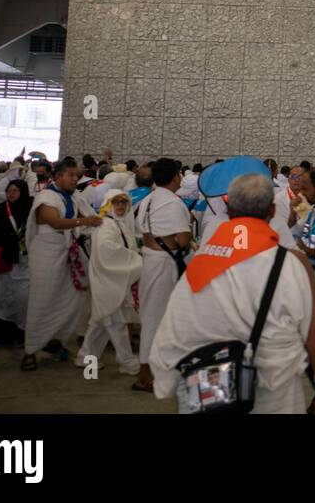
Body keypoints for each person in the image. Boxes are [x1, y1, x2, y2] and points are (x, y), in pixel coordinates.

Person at [149, 175, 315, 413]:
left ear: (228, 210)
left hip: (209, 389)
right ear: (271, 211)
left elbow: (176, 327)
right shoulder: (290, 265)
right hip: (274, 393)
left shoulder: (199, 263)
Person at [22, 160, 99, 371]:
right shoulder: (46, 197)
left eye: (77, 175)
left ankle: (54, 339)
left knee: (71, 297)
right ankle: (30, 350)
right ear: (58, 177)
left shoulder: (74, 197)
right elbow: (55, 222)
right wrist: (85, 222)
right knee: (42, 301)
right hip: (46, 254)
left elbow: (89, 217)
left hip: (67, 253)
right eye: (71, 175)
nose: (76, 179)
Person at [132, 157, 191, 392]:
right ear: (175, 176)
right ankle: (145, 374)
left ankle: (154, 367)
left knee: (152, 314)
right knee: (155, 317)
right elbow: (183, 239)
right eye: (179, 173)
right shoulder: (173, 203)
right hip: (164, 262)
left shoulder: (149, 199)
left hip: (150, 258)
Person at [77, 190, 142, 376]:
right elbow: (107, 250)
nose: (121, 205)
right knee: (116, 321)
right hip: (107, 279)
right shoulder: (106, 224)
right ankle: (127, 361)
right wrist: (136, 260)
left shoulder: (118, 224)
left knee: (101, 321)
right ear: (108, 204)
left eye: (124, 202)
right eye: (116, 202)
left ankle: (85, 356)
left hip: (112, 279)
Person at [0, 180, 32, 348]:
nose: (11, 194)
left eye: (15, 191)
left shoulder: (30, 210)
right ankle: (3, 338)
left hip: (25, 263)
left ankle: (21, 333)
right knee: (1, 300)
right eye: (9, 191)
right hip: (5, 263)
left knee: (23, 299)